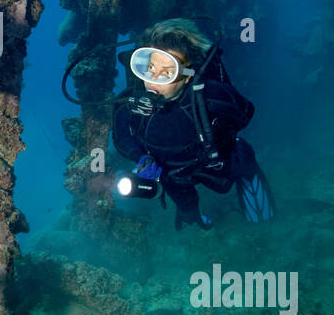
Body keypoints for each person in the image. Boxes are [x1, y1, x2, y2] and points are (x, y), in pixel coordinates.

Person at [111, 18, 275, 230]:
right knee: (187, 212)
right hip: (170, 174)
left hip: (213, 164)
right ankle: (192, 214)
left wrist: (221, 127)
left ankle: (256, 200)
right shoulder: (128, 104)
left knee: (241, 160)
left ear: (187, 77)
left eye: (167, 72)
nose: (154, 79)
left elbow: (246, 113)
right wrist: (140, 158)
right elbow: (122, 138)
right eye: (150, 67)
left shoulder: (209, 96)